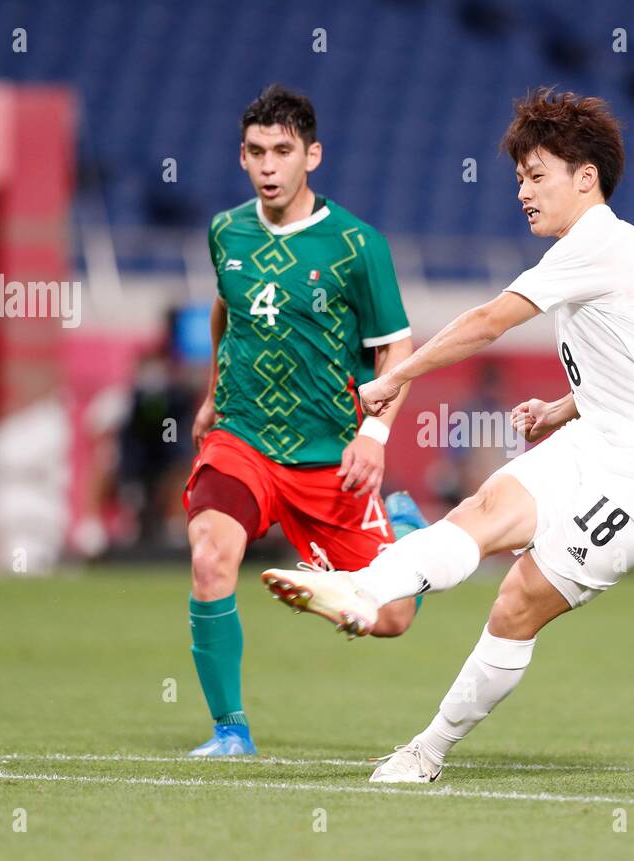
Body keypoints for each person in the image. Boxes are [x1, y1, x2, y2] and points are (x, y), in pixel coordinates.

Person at [262, 88, 634, 782]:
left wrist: (396, 378)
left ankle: (427, 751)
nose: (524, 193)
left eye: (536, 176)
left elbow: (488, 321)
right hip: (599, 439)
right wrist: (566, 408)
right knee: (482, 512)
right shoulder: (606, 250)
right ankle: (363, 590)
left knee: (517, 599)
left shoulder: (599, 240)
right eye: (518, 180)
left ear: (584, 178)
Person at [184, 84, 429, 756]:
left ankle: (406, 527)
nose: (269, 165)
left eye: (283, 151)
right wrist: (211, 395)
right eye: (257, 151)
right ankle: (230, 731)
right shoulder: (224, 231)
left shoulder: (357, 246)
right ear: (242, 156)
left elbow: (397, 349)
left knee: (390, 618)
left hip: (329, 454)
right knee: (211, 558)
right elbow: (224, 308)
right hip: (243, 438)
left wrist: (373, 435)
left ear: (311, 155)